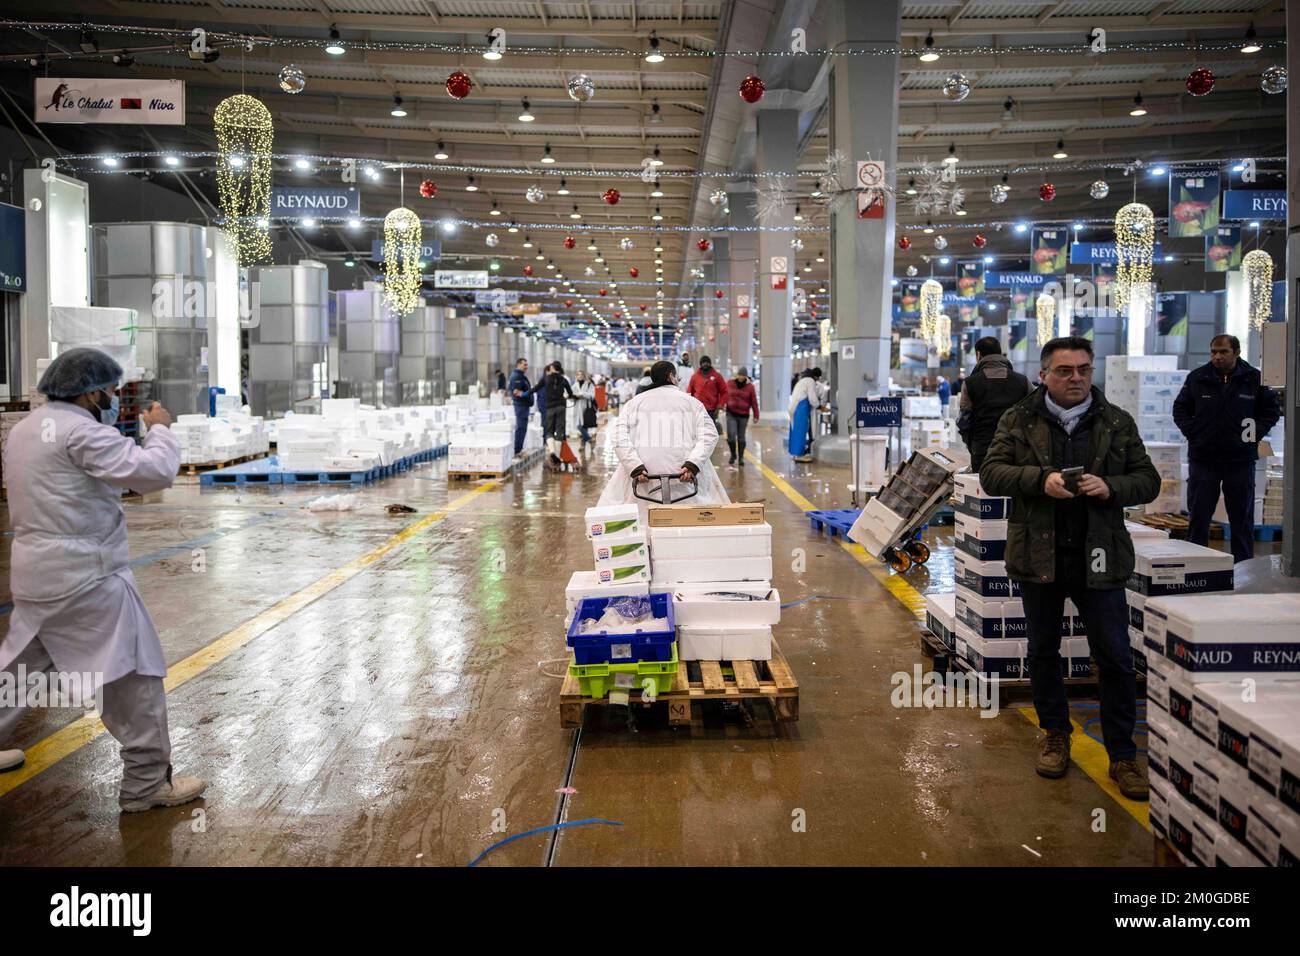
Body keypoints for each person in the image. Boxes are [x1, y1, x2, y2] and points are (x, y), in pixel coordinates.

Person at [0, 347, 206, 812]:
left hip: (36, 574)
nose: (114, 400)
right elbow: (153, 474)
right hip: (86, 577)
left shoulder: (27, 429)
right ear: (91, 392)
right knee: (132, 676)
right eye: (111, 392)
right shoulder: (81, 432)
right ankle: (147, 784)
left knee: (15, 674)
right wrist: (160, 430)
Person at [980, 336, 1160, 801]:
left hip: (1099, 557)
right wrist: (1043, 481)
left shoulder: (1116, 422)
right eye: (1064, 370)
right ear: (1043, 375)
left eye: (1083, 369)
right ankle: (1055, 734)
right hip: (1039, 557)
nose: (1076, 377)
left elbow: (1148, 481)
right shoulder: (1018, 419)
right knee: (1043, 651)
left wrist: (1112, 486)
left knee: (1116, 657)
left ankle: (1122, 755)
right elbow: (991, 473)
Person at [1173, 334, 1281, 563]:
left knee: (1241, 520)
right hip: (1204, 460)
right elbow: (1180, 409)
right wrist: (1195, 432)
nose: (1217, 357)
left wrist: (1252, 434)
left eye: (1223, 352)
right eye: (1213, 352)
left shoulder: (1254, 379)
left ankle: (1243, 570)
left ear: (1236, 353)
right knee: (1199, 517)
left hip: (1239, 461)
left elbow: (1271, 411)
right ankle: (1196, 566)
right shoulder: (1198, 378)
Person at [597, 360, 729, 523]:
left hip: (644, 479)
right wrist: (692, 464)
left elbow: (618, 436)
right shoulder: (692, 403)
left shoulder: (635, 403)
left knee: (643, 528)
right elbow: (709, 434)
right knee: (687, 527)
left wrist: (635, 467)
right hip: (684, 478)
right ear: (671, 376)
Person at [959, 336, 1031, 472]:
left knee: (981, 490)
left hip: (982, 448)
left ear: (978, 355)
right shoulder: (1023, 381)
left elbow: (964, 420)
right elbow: (1034, 413)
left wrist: (973, 444)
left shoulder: (970, 383)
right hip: (1016, 448)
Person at [788, 368, 826, 463]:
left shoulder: (803, 380)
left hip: (794, 406)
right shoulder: (810, 381)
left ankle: (795, 453)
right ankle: (799, 455)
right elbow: (812, 398)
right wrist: (820, 406)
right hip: (800, 407)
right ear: (817, 376)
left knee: (795, 430)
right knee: (800, 431)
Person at [724, 367, 760, 466]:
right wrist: (722, 404)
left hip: (743, 415)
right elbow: (724, 394)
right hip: (731, 413)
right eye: (740, 375)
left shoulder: (750, 387)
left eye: (743, 375)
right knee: (731, 436)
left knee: (741, 438)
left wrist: (756, 415)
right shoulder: (730, 383)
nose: (741, 377)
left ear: (746, 376)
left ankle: (741, 457)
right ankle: (733, 454)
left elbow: (754, 402)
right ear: (737, 375)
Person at [541, 362, 576, 463]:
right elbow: (569, 393)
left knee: (549, 430)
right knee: (560, 431)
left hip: (549, 407)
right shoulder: (563, 379)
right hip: (560, 406)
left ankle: (553, 452)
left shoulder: (547, 379)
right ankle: (556, 455)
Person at [687, 355, 728, 433]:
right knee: (699, 429)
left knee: (710, 430)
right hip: (698, 408)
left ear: (710, 364)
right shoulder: (695, 377)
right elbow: (690, 392)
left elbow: (724, 391)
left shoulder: (717, 376)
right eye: (703, 363)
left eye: (707, 363)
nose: (705, 364)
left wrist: (720, 405)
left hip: (712, 409)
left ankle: (709, 444)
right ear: (700, 364)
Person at [508, 357, 535, 458]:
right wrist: (526, 394)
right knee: (521, 428)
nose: (526, 367)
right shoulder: (517, 377)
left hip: (524, 405)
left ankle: (518, 449)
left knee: (522, 428)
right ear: (518, 364)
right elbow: (517, 393)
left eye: (527, 365)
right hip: (521, 406)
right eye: (524, 364)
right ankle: (517, 450)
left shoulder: (521, 376)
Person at [573, 368, 597, 447]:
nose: (579, 376)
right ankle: (589, 439)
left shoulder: (589, 384)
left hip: (586, 408)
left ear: (584, 376)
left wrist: (582, 394)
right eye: (578, 375)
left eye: (581, 375)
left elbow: (592, 396)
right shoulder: (575, 385)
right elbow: (570, 395)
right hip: (577, 408)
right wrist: (574, 397)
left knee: (584, 425)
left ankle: (583, 444)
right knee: (579, 425)